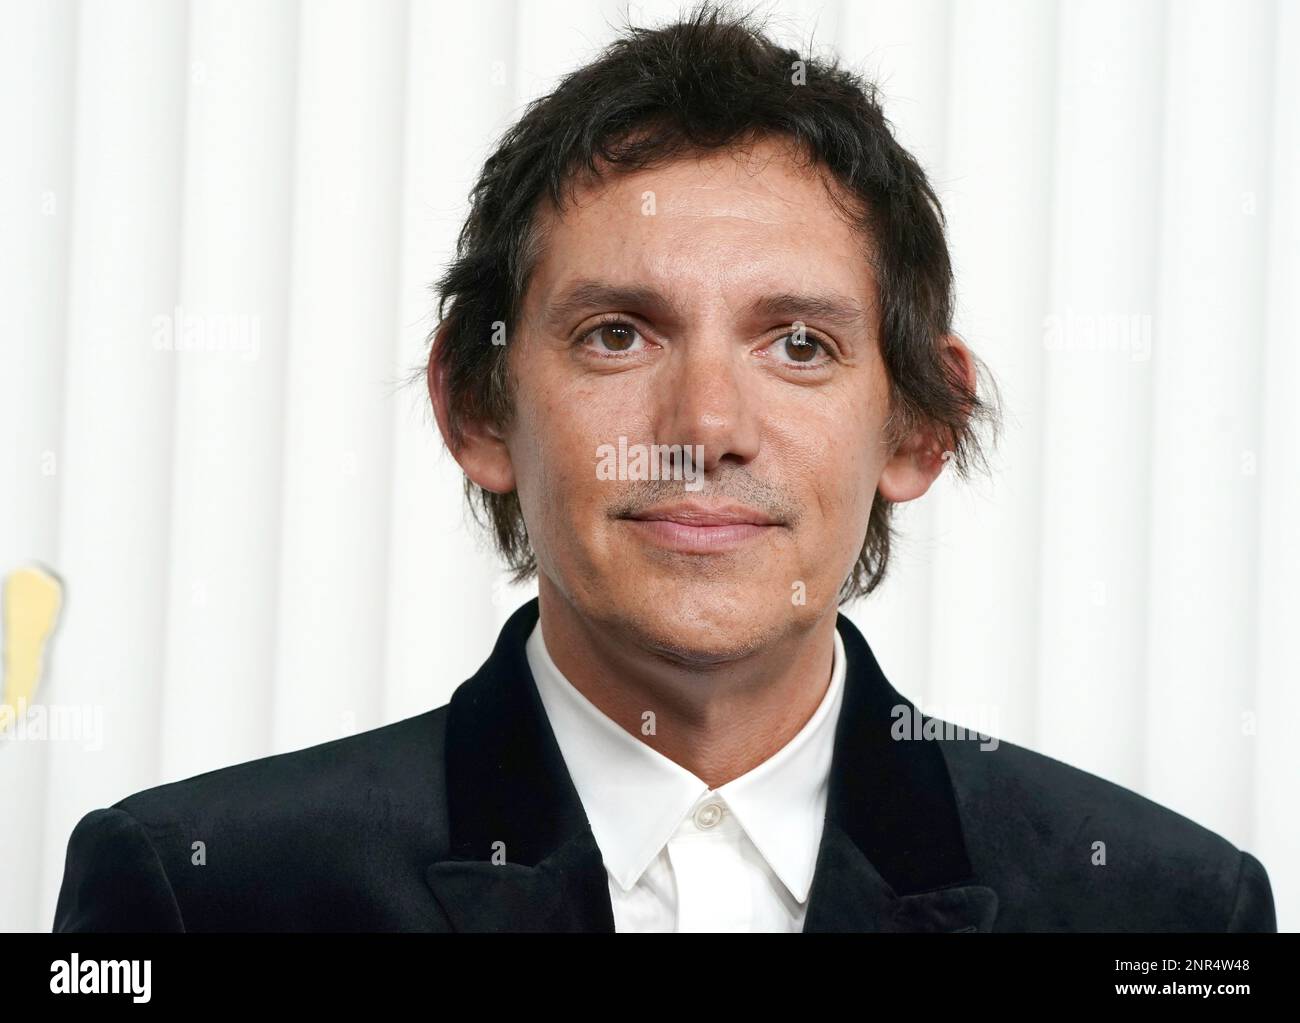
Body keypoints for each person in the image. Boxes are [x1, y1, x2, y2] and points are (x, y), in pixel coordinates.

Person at [54, 3, 1275, 933]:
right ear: (476, 405)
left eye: (799, 344)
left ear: (918, 426)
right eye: (616, 334)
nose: (703, 424)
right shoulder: (199, 891)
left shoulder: (1170, 910)